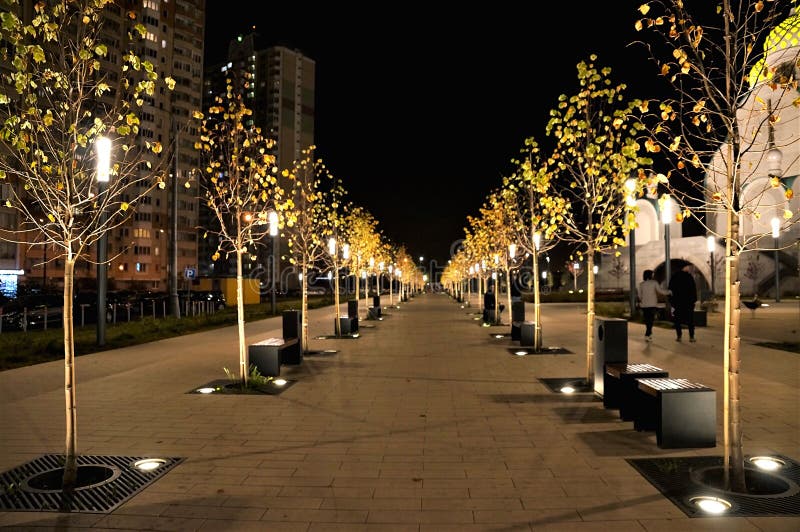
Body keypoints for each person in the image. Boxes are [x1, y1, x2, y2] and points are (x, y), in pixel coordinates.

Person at [637, 269, 670, 342]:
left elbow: (639, 296)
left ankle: (649, 334)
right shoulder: (654, 283)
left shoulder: (641, 284)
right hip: (652, 304)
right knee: (651, 320)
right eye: (652, 274)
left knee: (647, 320)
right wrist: (669, 292)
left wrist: (643, 299)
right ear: (650, 275)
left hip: (644, 305)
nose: (653, 275)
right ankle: (647, 334)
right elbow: (661, 291)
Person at [668, 263, 698, 342]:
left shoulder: (674, 277)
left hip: (677, 301)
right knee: (690, 319)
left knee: (677, 319)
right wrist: (694, 300)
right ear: (683, 268)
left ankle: (679, 336)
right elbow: (693, 289)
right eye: (687, 267)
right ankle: (691, 337)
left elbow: (670, 290)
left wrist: (671, 301)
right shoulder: (689, 277)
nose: (688, 268)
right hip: (688, 302)